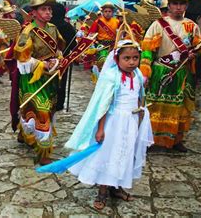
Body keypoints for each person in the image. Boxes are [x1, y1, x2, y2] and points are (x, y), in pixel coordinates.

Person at [65, 40, 153, 211]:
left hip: (131, 122)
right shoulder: (111, 77)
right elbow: (103, 105)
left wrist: (140, 119)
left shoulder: (138, 75)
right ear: (117, 58)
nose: (131, 62)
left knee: (125, 153)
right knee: (109, 154)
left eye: (135, 58)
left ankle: (116, 186)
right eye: (126, 58)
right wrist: (100, 128)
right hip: (114, 122)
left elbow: (140, 96)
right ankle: (103, 190)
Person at [140, 0, 201, 152]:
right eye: (175, 4)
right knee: (155, 107)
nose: (178, 7)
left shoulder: (192, 26)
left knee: (179, 108)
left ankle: (176, 140)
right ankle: (150, 140)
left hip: (182, 73)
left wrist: (195, 53)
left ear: (186, 6)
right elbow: (147, 50)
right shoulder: (158, 24)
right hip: (161, 72)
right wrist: (145, 71)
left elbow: (198, 48)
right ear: (168, 5)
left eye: (182, 4)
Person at [14, 0, 65, 165]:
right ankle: (43, 151)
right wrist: (42, 65)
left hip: (49, 78)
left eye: (49, 9)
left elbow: (59, 48)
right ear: (34, 12)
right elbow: (22, 57)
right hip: (32, 77)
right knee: (40, 111)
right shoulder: (28, 31)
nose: (48, 12)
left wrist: (57, 59)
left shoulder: (53, 28)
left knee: (47, 110)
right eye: (43, 9)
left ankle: (25, 133)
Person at [50, 2, 76, 111]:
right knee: (61, 80)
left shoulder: (47, 25)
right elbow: (74, 44)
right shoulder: (68, 27)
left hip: (48, 59)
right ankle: (59, 103)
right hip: (64, 58)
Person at [88, 2, 120, 71]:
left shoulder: (117, 21)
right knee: (102, 62)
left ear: (112, 12)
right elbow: (91, 34)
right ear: (102, 12)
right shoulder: (98, 21)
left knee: (114, 64)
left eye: (109, 11)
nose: (107, 13)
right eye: (105, 11)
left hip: (113, 46)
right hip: (102, 46)